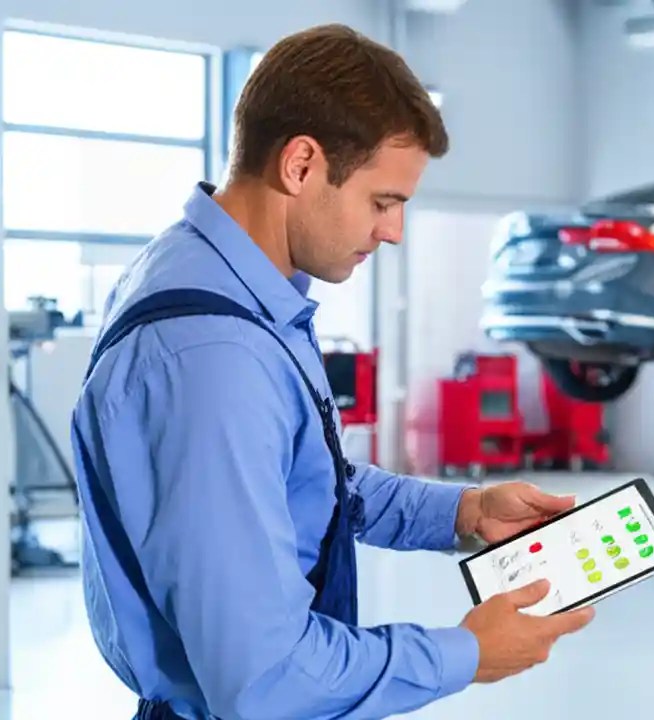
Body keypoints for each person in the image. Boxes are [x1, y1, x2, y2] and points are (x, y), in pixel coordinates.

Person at [70, 23, 594, 720]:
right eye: (383, 201)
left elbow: (307, 483)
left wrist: (463, 512)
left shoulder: (216, 280)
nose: (394, 231)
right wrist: (465, 653)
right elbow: (265, 676)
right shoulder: (214, 358)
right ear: (301, 165)